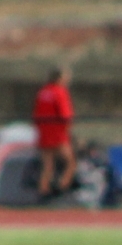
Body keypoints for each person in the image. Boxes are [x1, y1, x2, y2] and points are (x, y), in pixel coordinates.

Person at [32, 68, 76, 199]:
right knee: (71, 162)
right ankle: (61, 189)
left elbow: (36, 113)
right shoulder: (60, 91)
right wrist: (68, 129)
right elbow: (65, 114)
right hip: (57, 134)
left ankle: (43, 191)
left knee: (48, 165)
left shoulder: (43, 92)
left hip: (44, 132)